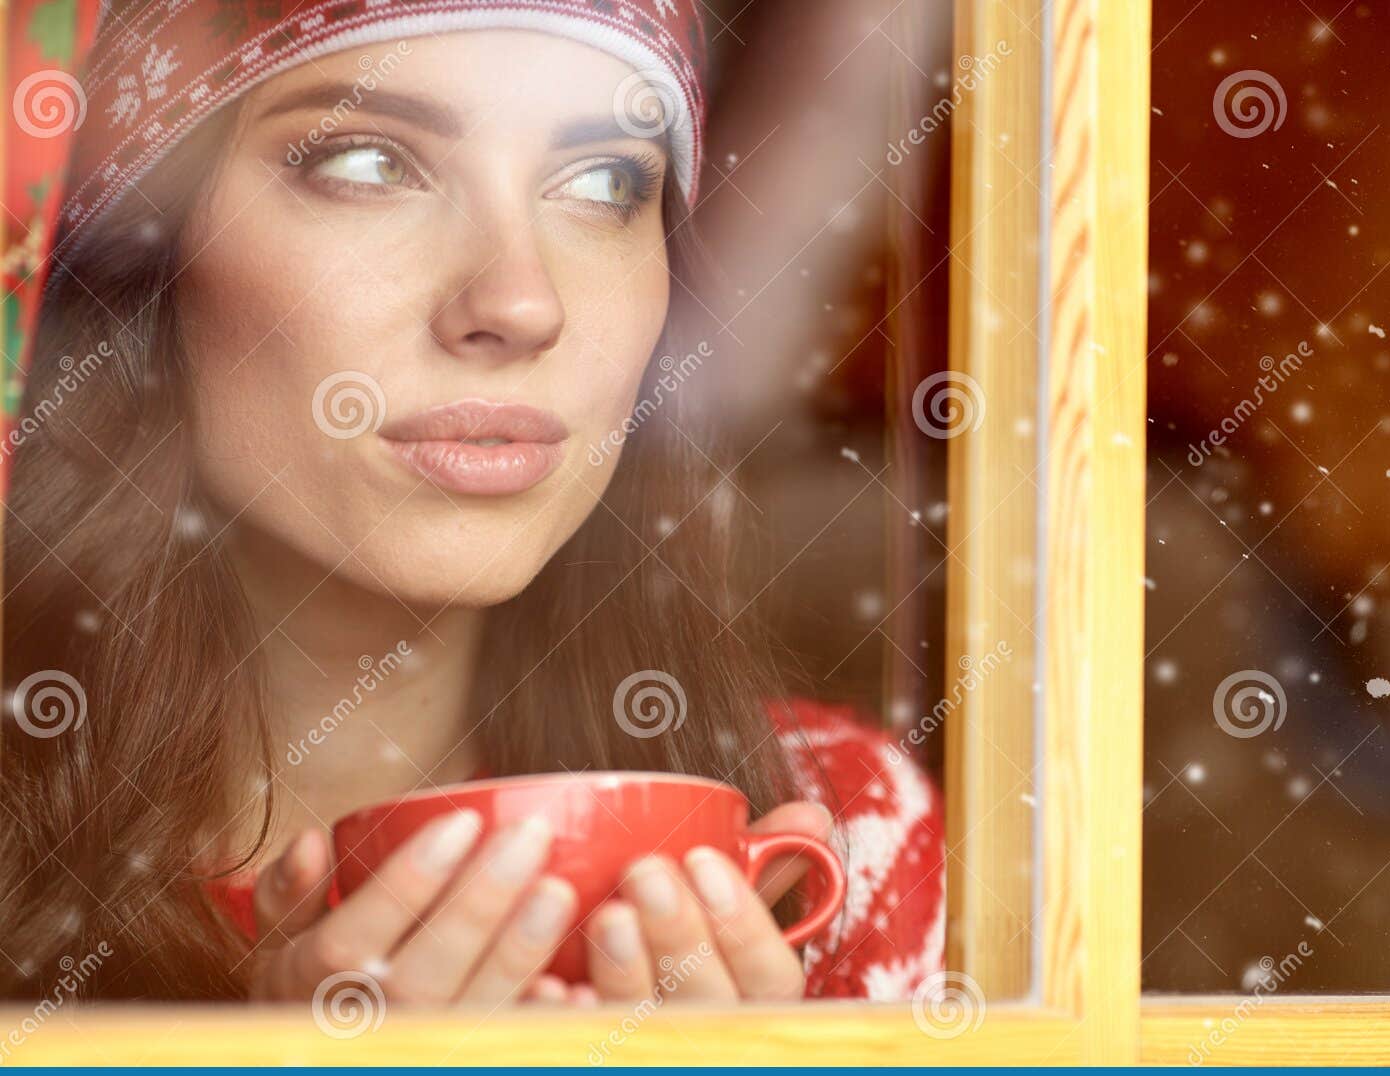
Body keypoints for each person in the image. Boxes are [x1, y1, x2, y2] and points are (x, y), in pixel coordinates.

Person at [1, 0, 944, 1006]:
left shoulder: (836, 834)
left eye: (604, 182)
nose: (519, 302)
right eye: (366, 165)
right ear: (135, 258)